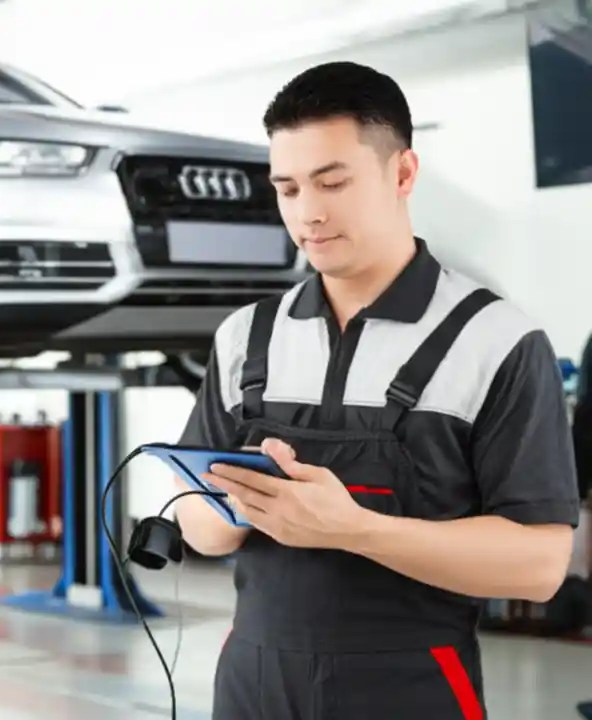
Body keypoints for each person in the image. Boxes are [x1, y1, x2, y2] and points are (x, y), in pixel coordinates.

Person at [174, 61, 581, 719]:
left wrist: (355, 529)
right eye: (288, 188)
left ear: (402, 173)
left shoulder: (495, 340)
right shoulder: (245, 338)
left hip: (409, 689)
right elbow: (197, 523)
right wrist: (239, 508)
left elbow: (537, 564)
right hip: (251, 683)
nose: (308, 213)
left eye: (332, 182)